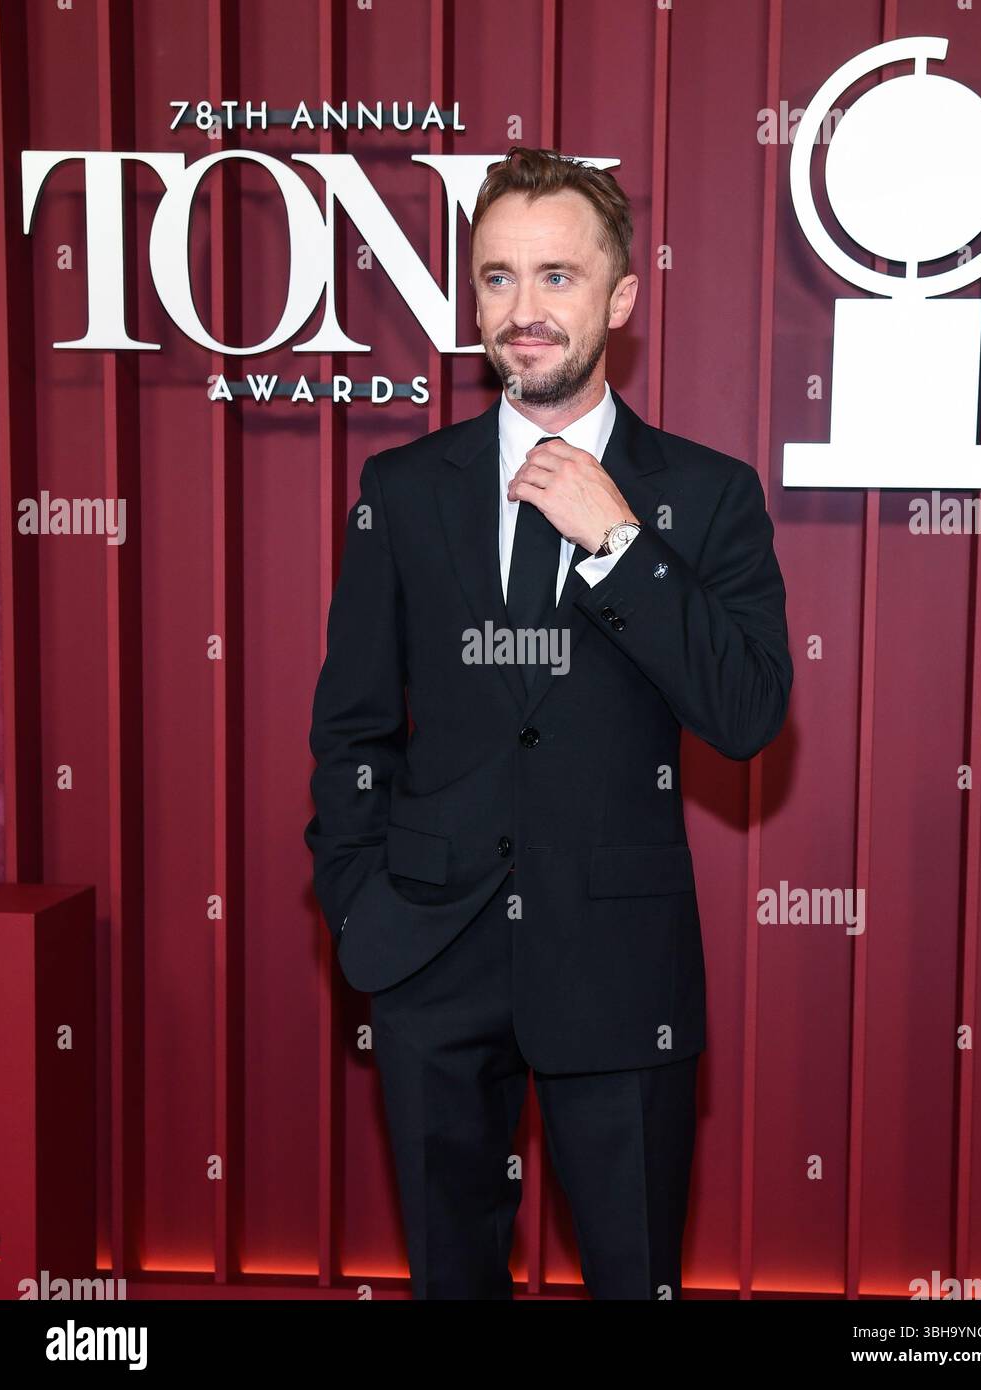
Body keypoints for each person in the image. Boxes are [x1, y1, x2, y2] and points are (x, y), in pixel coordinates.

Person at [304, 146, 793, 1299]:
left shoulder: (706, 494)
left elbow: (745, 713)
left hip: (617, 965)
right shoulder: (401, 488)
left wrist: (621, 543)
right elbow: (352, 726)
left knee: (631, 1274)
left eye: (558, 278)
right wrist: (358, 899)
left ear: (620, 298)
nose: (523, 312)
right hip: (425, 955)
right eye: (497, 278)